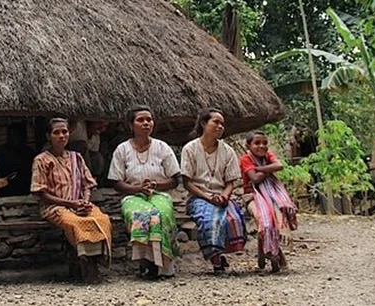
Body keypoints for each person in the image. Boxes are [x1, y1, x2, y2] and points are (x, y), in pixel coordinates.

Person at [31, 117, 112, 283]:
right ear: (48, 136)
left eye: (65, 132)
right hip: (54, 207)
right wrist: (71, 204)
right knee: (75, 222)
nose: (62, 136)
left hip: (79, 204)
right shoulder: (41, 160)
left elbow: (87, 185)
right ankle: (88, 266)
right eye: (56, 132)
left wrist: (85, 201)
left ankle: (95, 260)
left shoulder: (77, 158)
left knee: (102, 219)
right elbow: (42, 193)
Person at [108, 106, 181, 279]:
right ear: (131, 125)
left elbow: (175, 179)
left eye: (149, 119)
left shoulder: (162, 147)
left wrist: (156, 185)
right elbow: (115, 181)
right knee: (142, 214)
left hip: (159, 195)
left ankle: (162, 265)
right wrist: (137, 189)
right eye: (140, 120)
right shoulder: (122, 150)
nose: (146, 123)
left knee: (161, 213)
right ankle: (146, 263)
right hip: (132, 196)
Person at [180, 108, 246, 274]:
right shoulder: (190, 149)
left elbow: (231, 181)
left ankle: (224, 252)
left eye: (222, 124)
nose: (220, 126)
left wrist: (224, 195)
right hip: (198, 196)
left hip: (222, 195)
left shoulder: (227, 151)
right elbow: (187, 182)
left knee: (233, 218)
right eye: (216, 122)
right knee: (209, 219)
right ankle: (216, 259)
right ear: (203, 123)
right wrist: (207, 196)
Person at [240, 130, 298, 272]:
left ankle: (263, 255)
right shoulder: (245, 159)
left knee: (278, 215)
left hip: (272, 194)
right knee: (264, 221)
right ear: (248, 145)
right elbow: (254, 179)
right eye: (257, 143)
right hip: (253, 196)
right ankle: (276, 254)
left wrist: (259, 168)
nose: (262, 146)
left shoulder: (268, 155)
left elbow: (279, 165)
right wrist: (268, 170)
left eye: (265, 143)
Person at [0, 122, 36, 196]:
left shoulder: (29, 153)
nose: (15, 139)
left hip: (26, 191)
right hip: (6, 192)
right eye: (13, 136)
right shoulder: (3, 153)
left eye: (18, 135)